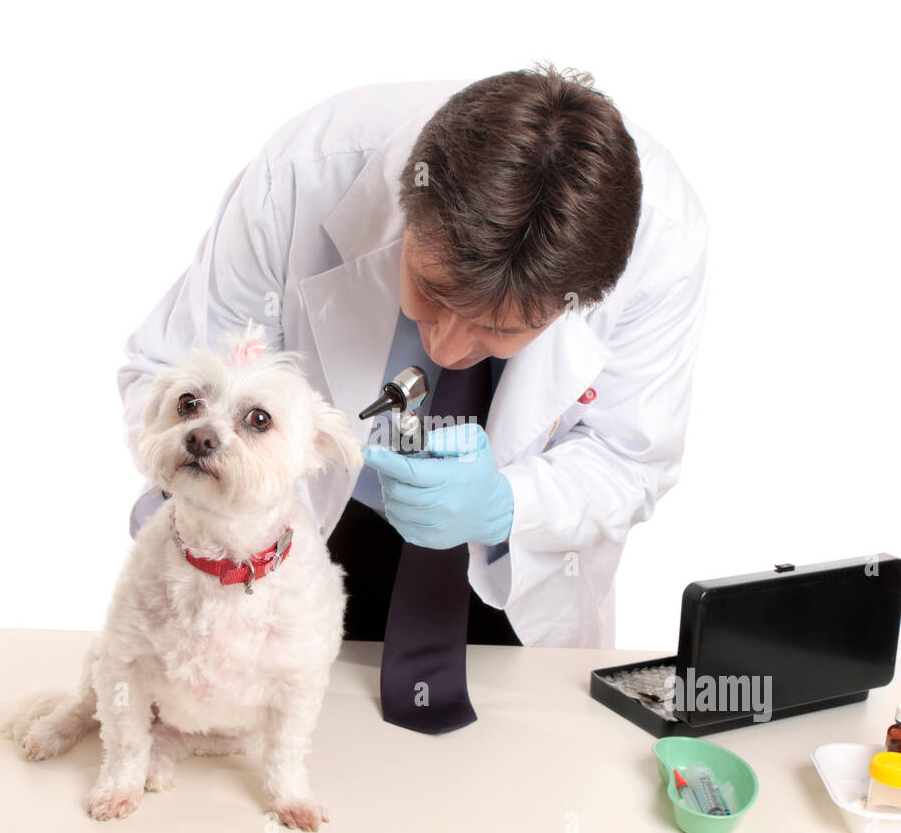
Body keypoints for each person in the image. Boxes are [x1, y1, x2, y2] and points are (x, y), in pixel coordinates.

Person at [118, 64, 708, 657]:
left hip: (510, 571)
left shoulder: (662, 245)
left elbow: (630, 460)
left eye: (499, 330)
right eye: (431, 289)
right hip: (306, 537)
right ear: (409, 209)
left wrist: (503, 506)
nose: (446, 350)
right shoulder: (301, 176)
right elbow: (173, 373)